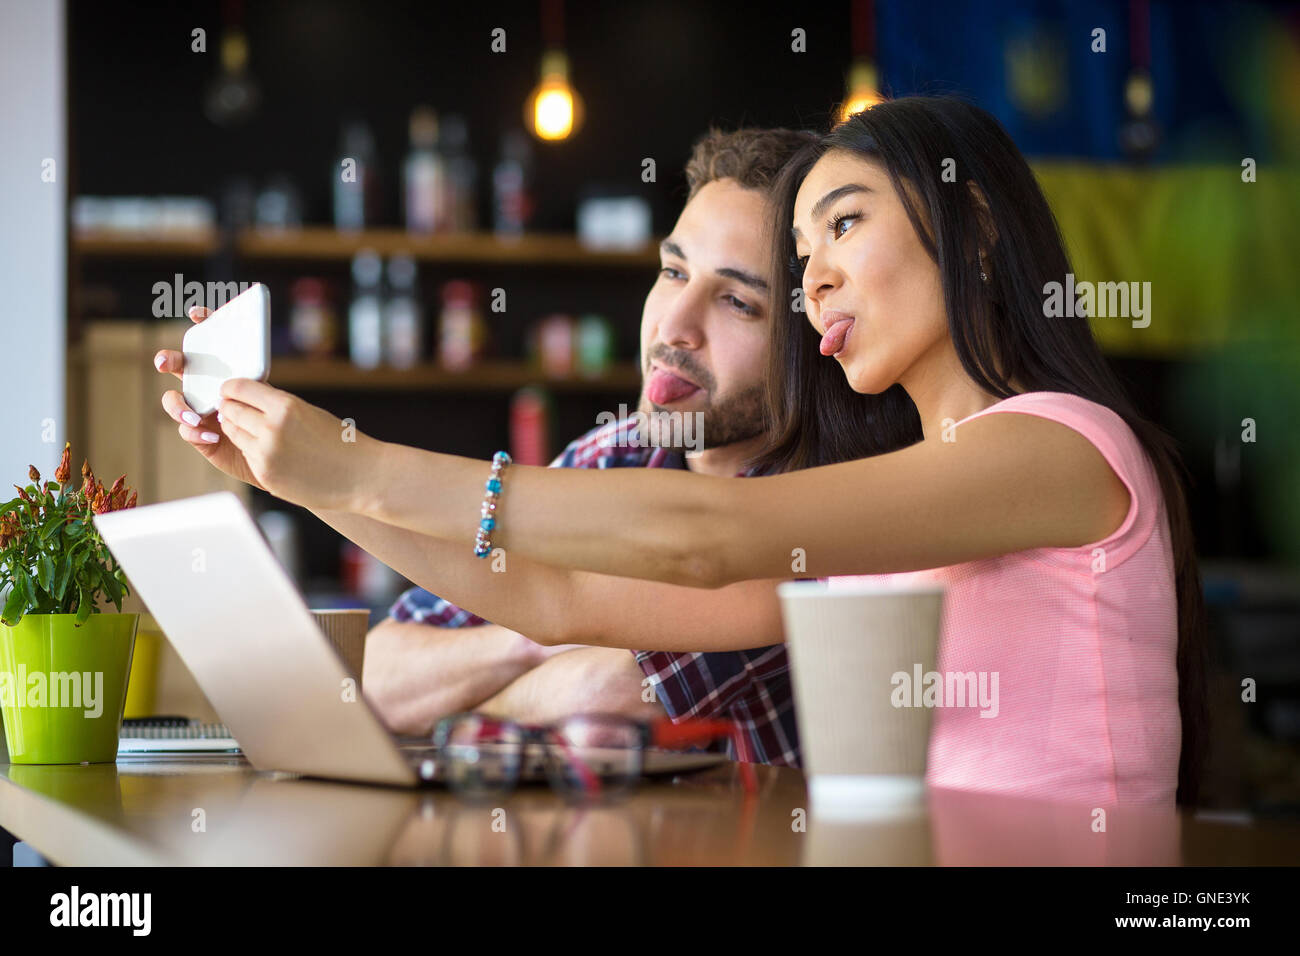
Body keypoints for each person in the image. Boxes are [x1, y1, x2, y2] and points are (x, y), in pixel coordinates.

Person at [163, 96, 1208, 808]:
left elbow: (714, 534)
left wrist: (358, 464)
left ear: (972, 227)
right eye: (803, 255)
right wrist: (303, 482)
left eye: (844, 225)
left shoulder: (1060, 445)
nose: (817, 282)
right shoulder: (891, 506)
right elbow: (554, 599)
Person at [156, 128, 814, 767]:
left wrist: (507, 654)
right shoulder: (616, 453)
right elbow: (375, 679)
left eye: (736, 301)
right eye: (673, 271)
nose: (673, 324)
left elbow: (610, 694)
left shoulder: (820, 514)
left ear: (814, 335)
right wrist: (528, 642)